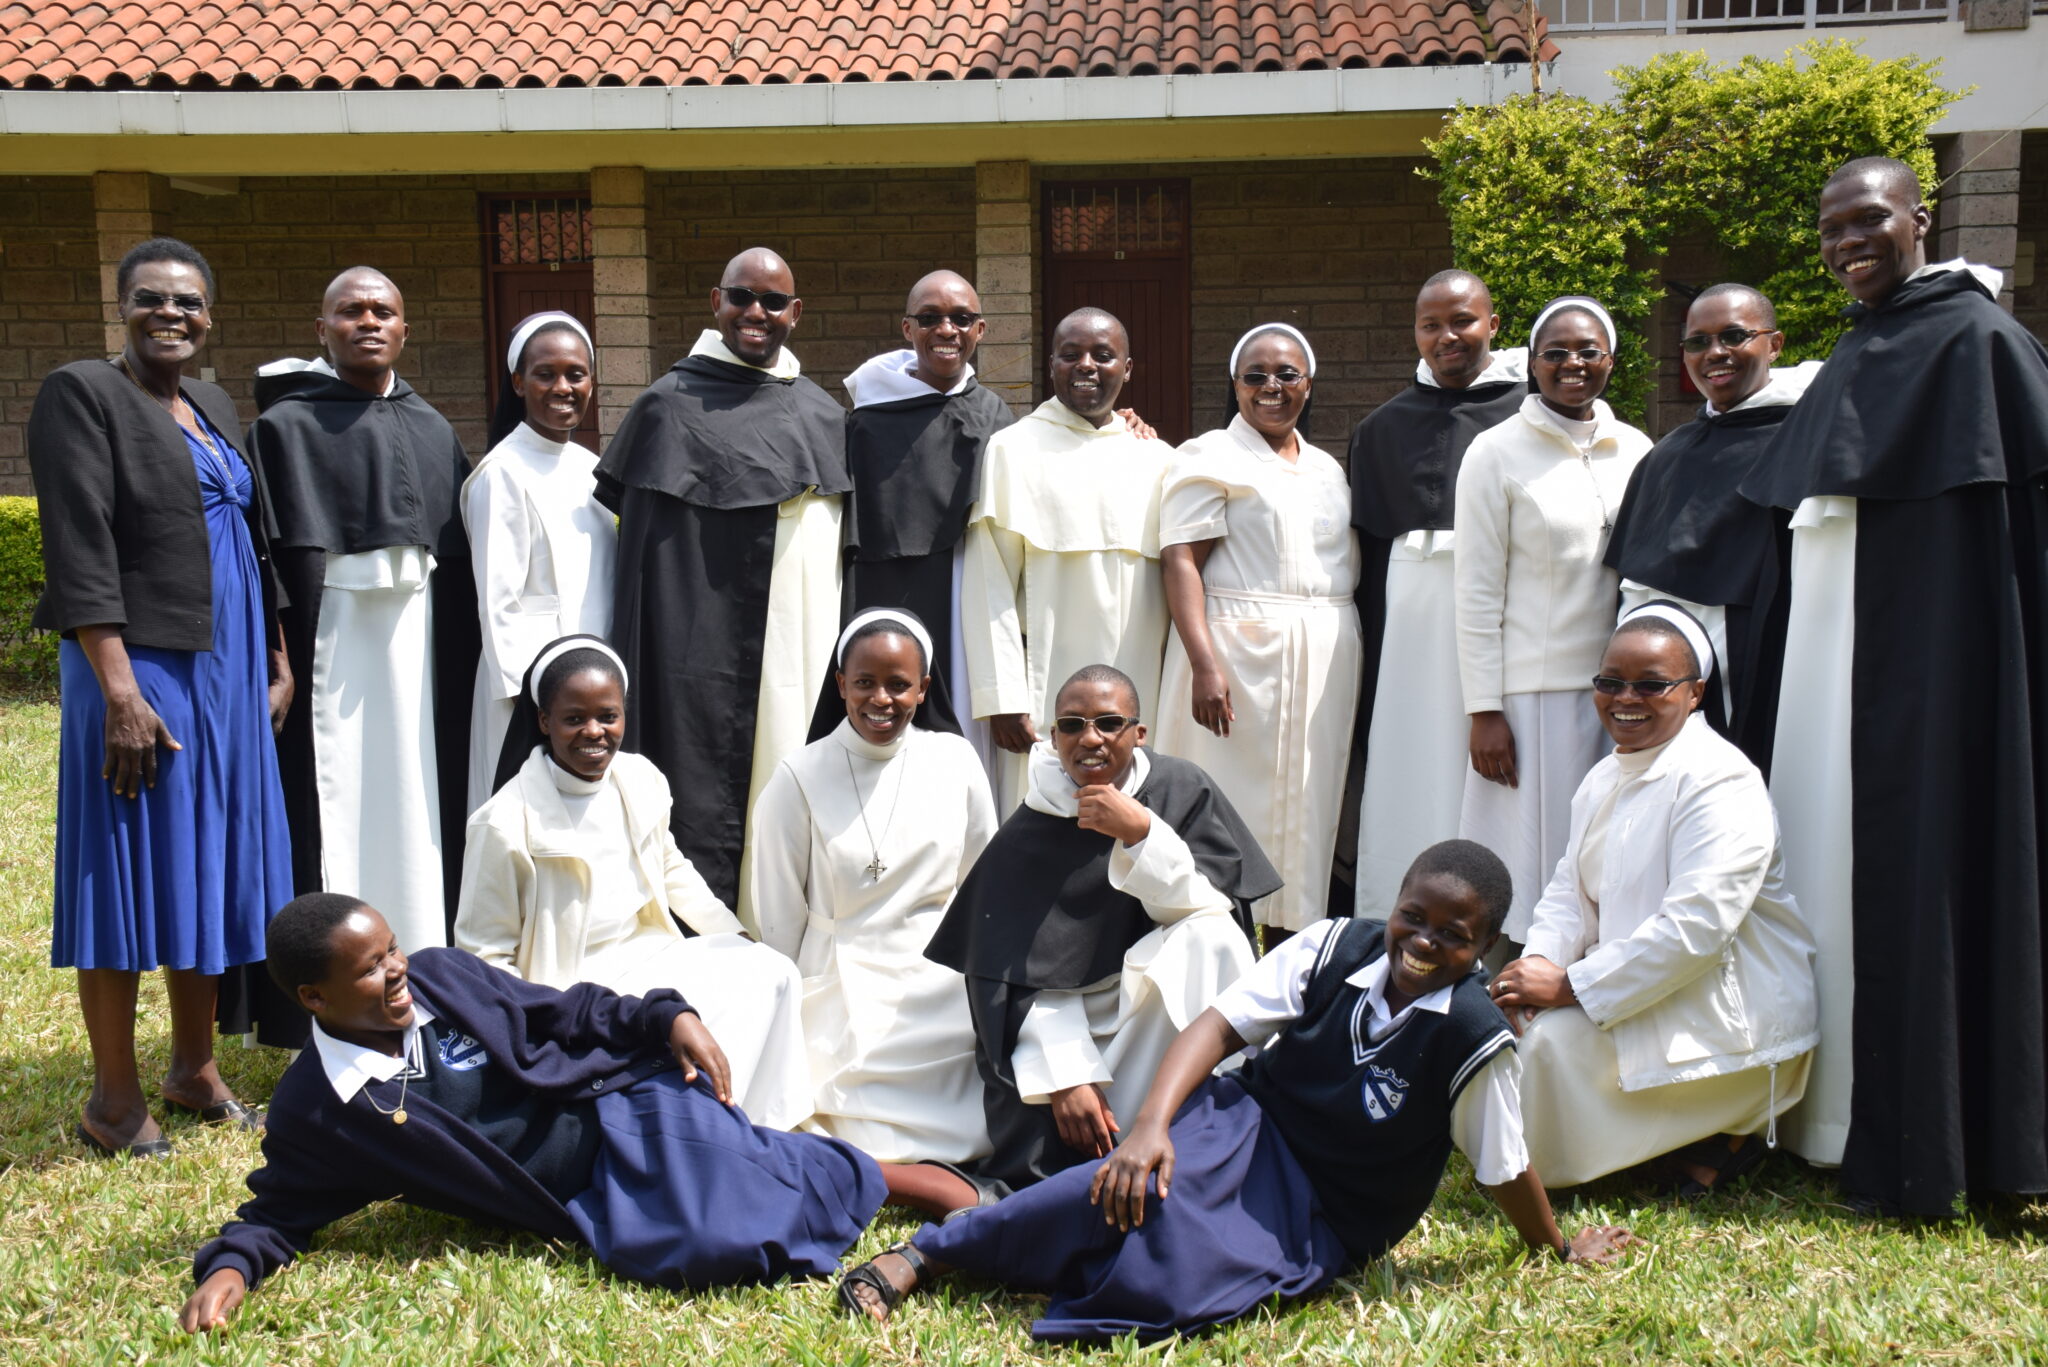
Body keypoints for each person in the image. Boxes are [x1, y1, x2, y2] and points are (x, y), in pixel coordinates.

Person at [839, 840, 1635, 1340]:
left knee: (1171, 1281)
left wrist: (1558, 1248)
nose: (1422, 942)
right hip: (1249, 1122)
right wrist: (1153, 1124)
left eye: (1453, 935)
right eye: (1412, 916)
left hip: (1328, 1208)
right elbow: (1218, 1028)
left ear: (1486, 945)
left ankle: (1027, 1248)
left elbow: (1503, 1167)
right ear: (1393, 904)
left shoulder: (1473, 1035)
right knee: (1123, 1181)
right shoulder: (1333, 946)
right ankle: (925, 1254)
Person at [1735, 157, 2048, 1215]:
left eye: (1865, 220)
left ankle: (1917, 1128)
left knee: (1907, 878)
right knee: (1818, 873)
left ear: (1920, 219)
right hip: (1828, 690)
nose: (1843, 242)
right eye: (1828, 228)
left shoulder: (1977, 344)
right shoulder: (1862, 343)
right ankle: (1815, 1111)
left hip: (1914, 689)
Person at [176, 893, 892, 1333]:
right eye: (368, 967)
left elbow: (564, 1012)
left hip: (617, 1103)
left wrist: (665, 1016)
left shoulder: (440, 975)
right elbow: (280, 1208)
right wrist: (232, 1268)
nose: (396, 969)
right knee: (704, 1248)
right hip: (578, 1193)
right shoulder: (319, 1106)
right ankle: (852, 1175)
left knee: (738, 1192)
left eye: (391, 948)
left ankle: (918, 1183)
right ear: (313, 997)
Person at [28, 237, 295, 1156]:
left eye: (187, 301)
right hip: (142, 669)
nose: (170, 314)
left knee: (209, 861)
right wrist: (118, 690)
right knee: (127, 868)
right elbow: (79, 546)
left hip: (225, 669)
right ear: (123, 307)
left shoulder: (211, 403)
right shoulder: (82, 395)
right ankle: (113, 1100)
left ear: (210, 314)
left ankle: (193, 1069)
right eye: (151, 299)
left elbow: (252, 539)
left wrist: (278, 654)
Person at [1490, 605, 1817, 1194]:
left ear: (1693, 693)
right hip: (1637, 992)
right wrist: (1537, 964)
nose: (1625, 698)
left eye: (1651, 684)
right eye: (1610, 682)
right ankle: (1654, 1148)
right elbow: (1569, 890)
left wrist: (1569, 988)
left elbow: (1696, 930)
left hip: (1722, 1015)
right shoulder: (1606, 775)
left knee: (1546, 1051)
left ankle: (1725, 1128)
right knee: (1512, 1031)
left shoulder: (1720, 780)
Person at [924, 664, 1273, 1193]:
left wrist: (1141, 834)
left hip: (1157, 1015)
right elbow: (1005, 982)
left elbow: (1218, 909)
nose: (1090, 738)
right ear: (1052, 734)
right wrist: (1065, 1075)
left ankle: (1207, 1119)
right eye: (1071, 724)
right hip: (1071, 1033)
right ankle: (1125, 1134)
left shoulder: (1181, 790)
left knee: (1212, 934)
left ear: (1139, 732)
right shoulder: (1029, 827)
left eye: (1109, 722)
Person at [454, 637, 812, 1129]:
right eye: (574, 718)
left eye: (608, 715)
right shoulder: (503, 823)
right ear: (543, 721)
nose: (594, 732)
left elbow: (671, 867)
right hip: (576, 988)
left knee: (773, 972)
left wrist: (732, 933)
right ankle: (697, 1129)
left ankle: (761, 1126)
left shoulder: (640, 778)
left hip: (652, 954)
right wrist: (541, 1029)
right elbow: (483, 956)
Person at [595, 247, 849, 924]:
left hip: (797, 641)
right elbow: (643, 556)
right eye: (742, 296)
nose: (756, 313)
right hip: (693, 650)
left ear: (796, 313)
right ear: (716, 302)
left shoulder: (822, 413)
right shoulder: (666, 407)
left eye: (772, 302)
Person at [253, 266, 479, 951]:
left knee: (415, 803)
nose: (369, 321)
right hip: (331, 648)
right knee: (337, 804)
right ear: (322, 330)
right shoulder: (283, 429)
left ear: (405, 330)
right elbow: (264, 560)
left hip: (415, 655)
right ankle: (331, 964)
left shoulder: (433, 427)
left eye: (383, 310)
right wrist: (278, 658)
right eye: (351, 311)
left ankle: (415, 953)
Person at [752, 610, 998, 1166]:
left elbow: (983, 882)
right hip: (840, 979)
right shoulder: (798, 777)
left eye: (898, 684)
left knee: (985, 1121)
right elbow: (779, 918)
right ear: (841, 684)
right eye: (864, 682)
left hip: (940, 978)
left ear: (924, 687)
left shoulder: (956, 760)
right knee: (843, 1129)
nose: (881, 699)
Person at [1454, 295, 1651, 944]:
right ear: (1531, 363)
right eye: (1556, 352)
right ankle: (1515, 995)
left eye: (1588, 351)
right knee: (1530, 874)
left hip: (1621, 694)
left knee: (1609, 861)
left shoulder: (1639, 450)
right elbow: (1477, 591)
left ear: (1611, 360)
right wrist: (1485, 708)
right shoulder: (1494, 453)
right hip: (1530, 700)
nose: (1573, 363)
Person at [1154, 323, 1361, 936]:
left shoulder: (1326, 467)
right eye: (1255, 376)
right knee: (1231, 795)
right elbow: (1180, 560)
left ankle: (1296, 937)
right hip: (1237, 650)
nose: (1271, 388)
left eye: (1287, 375)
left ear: (1309, 383)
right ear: (1235, 385)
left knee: (1308, 799)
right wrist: (1204, 663)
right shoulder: (1209, 455)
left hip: (1323, 653)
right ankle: (1220, 931)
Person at [1349, 270, 1527, 920]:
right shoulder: (1379, 429)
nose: (1448, 336)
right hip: (1409, 630)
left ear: (1494, 325)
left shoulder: (1529, 415)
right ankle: (1393, 914)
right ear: (1415, 333)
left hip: (1499, 616)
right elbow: (1366, 560)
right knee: (1410, 768)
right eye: (1432, 325)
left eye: (1463, 321)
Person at [962, 309, 1171, 815]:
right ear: (1050, 364)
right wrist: (1003, 696)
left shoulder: (1159, 458)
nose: (1087, 366)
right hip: (1044, 691)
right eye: (1071, 354)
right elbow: (988, 579)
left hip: (1140, 681)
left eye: (1103, 355)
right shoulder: (1012, 450)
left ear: (1128, 368)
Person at [1605, 285, 1817, 768]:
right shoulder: (1666, 454)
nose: (1715, 353)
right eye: (1698, 342)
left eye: (1734, 336)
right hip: (1661, 688)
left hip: (1762, 667)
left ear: (1775, 344)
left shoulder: (1805, 442)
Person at [808, 271, 1014, 756]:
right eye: (930, 318)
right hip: (879, 590)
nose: (947, 330)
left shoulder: (995, 416)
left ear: (980, 330)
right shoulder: (866, 420)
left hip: (963, 590)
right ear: (907, 329)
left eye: (961, 319)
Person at [461, 311, 615, 815]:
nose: (563, 387)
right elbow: (499, 607)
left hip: (589, 690)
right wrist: (541, 705)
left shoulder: (591, 467)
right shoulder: (502, 473)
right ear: (518, 382)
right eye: (546, 373)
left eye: (576, 373)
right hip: (531, 696)